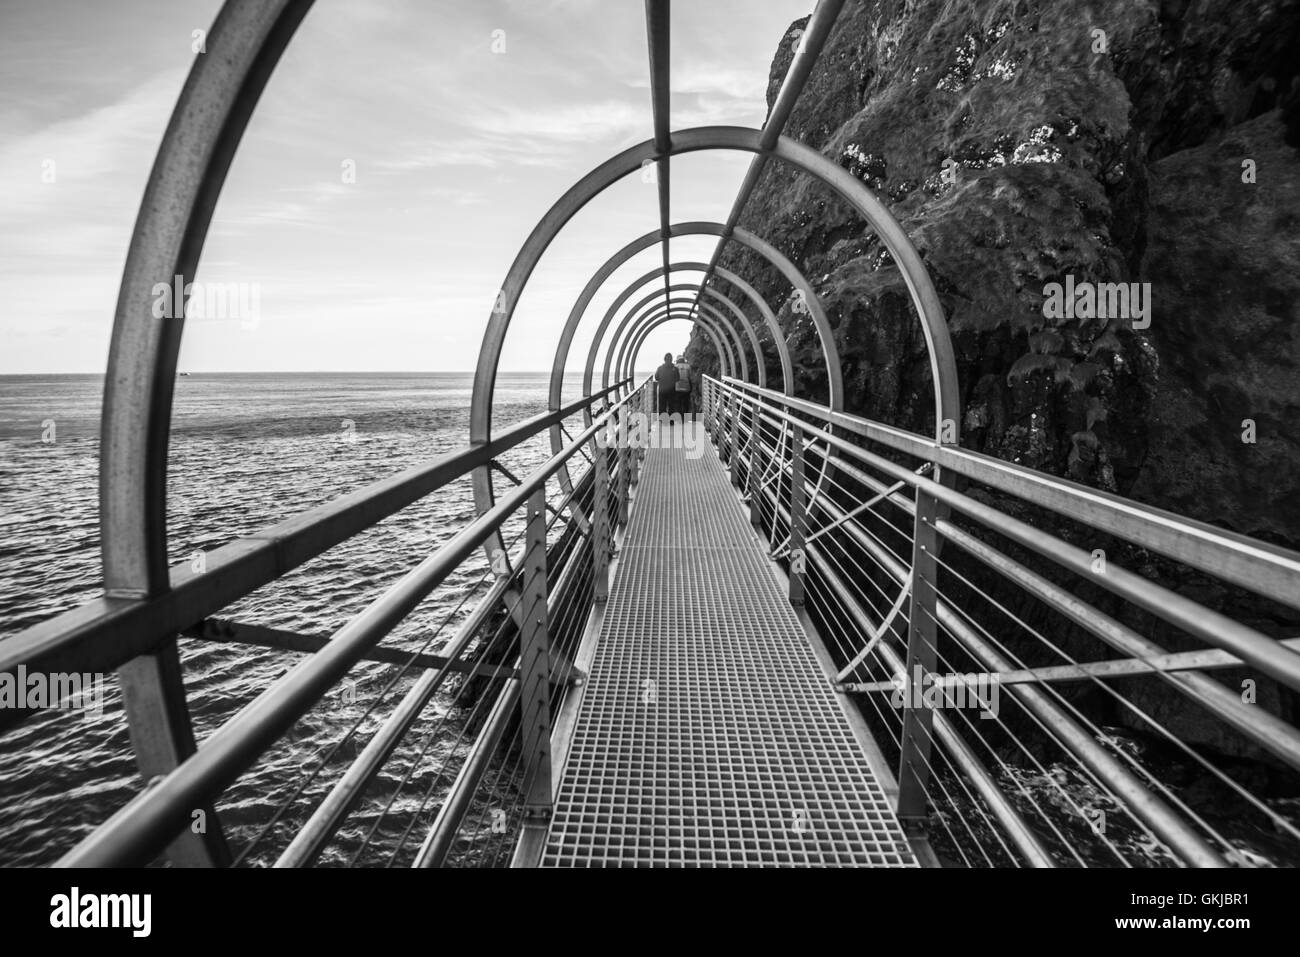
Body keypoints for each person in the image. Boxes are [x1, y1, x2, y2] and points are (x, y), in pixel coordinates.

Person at [654, 352, 678, 418]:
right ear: (671, 359)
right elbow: (677, 378)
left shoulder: (660, 368)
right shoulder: (675, 369)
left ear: (664, 359)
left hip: (662, 390)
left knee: (662, 406)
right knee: (672, 406)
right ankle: (671, 421)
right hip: (672, 390)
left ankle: (663, 420)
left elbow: (656, 377)